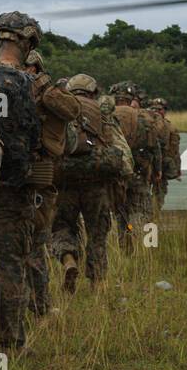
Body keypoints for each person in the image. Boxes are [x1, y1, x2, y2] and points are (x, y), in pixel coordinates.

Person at [0, 12, 42, 353]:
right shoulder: (27, 84)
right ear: (27, 42)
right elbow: (34, 136)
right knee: (12, 263)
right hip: (13, 187)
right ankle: (10, 341)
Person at [52, 74, 128, 291]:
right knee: (97, 232)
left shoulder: (59, 108)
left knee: (61, 225)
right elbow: (118, 146)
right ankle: (97, 283)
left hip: (65, 181)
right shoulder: (102, 112)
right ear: (93, 92)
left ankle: (68, 258)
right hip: (96, 182)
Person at [23, 49, 81, 317]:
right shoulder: (49, 95)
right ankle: (38, 309)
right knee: (36, 246)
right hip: (39, 179)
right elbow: (69, 141)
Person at [108, 81, 159, 250]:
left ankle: (123, 245)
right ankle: (145, 246)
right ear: (130, 99)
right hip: (139, 173)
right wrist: (156, 170)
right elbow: (154, 147)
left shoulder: (106, 116)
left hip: (116, 173)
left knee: (119, 212)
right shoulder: (144, 117)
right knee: (141, 210)